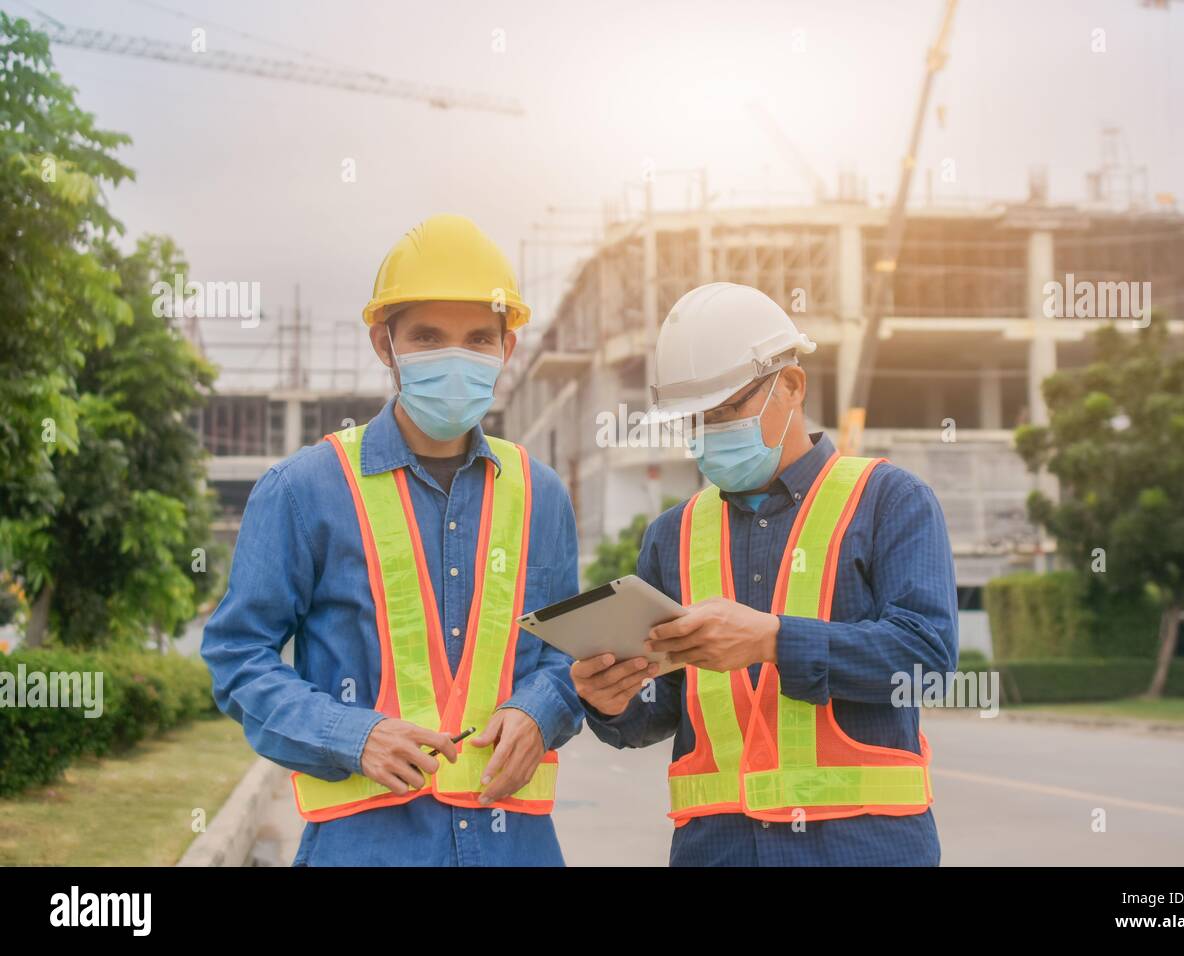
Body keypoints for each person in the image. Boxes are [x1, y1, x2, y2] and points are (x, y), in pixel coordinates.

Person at [202, 214, 584, 866]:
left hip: (515, 847)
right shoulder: (303, 490)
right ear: (385, 344)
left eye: (478, 339)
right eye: (428, 337)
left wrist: (541, 710)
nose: (456, 357)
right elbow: (238, 657)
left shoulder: (541, 494)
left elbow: (566, 657)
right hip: (364, 849)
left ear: (508, 348)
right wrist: (352, 735)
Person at [572, 282, 958, 866]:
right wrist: (610, 699)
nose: (707, 431)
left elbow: (927, 662)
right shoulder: (672, 536)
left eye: (725, 410)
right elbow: (659, 709)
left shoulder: (889, 500)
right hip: (718, 849)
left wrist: (774, 641)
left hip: (863, 848)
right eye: (693, 419)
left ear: (792, 385)